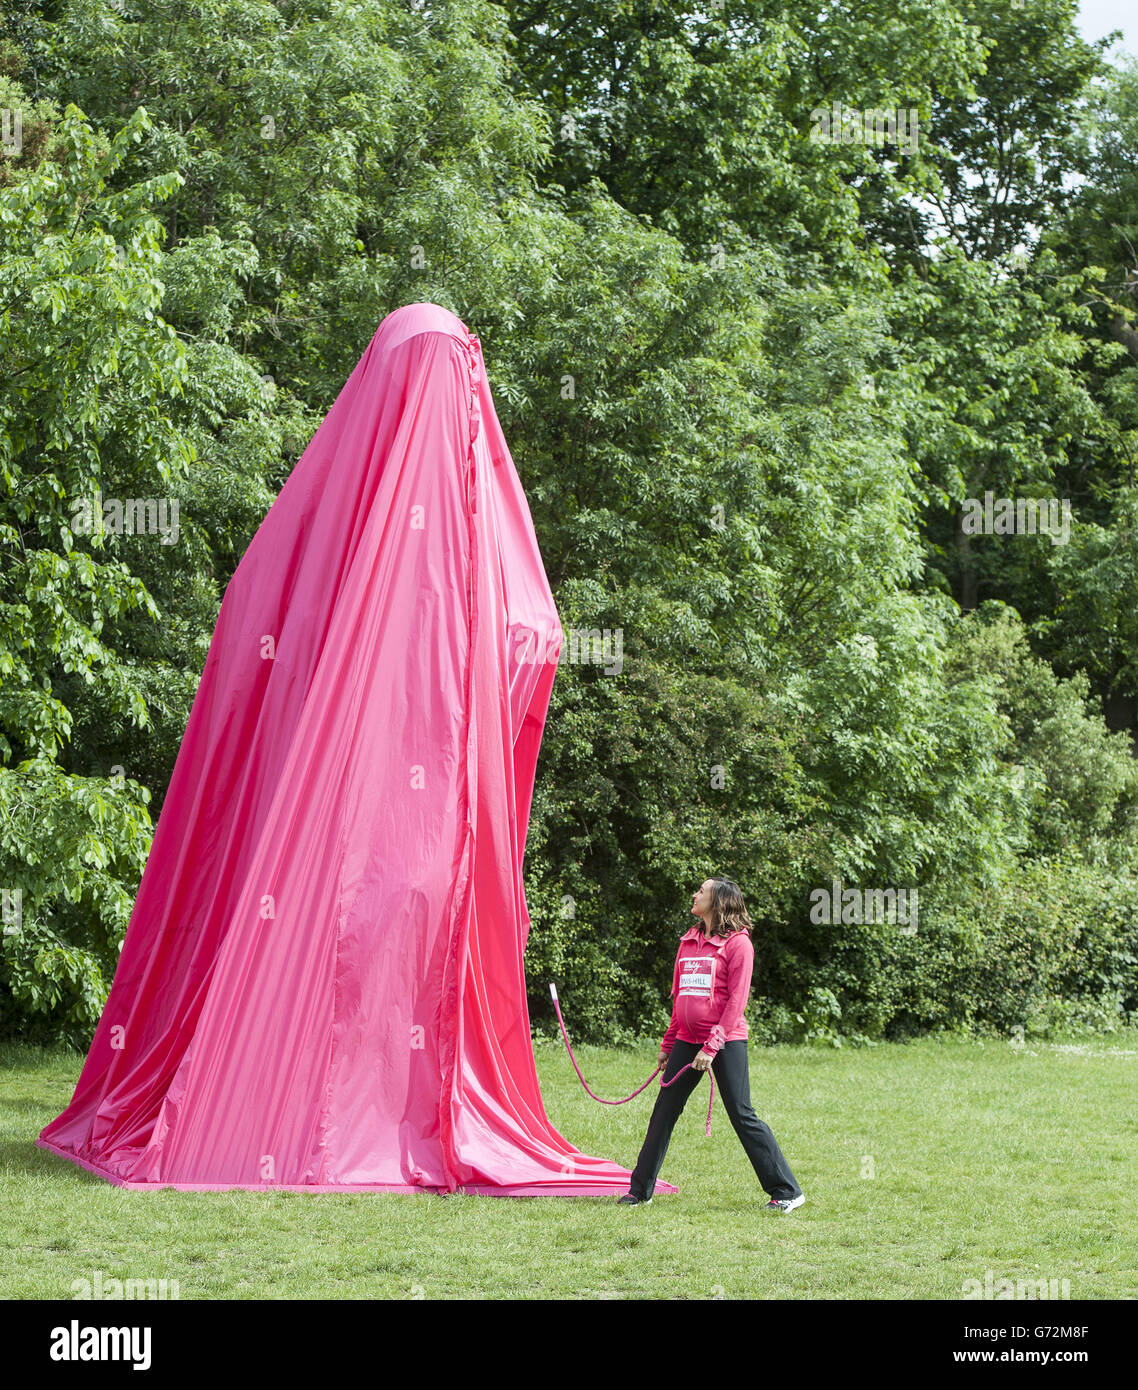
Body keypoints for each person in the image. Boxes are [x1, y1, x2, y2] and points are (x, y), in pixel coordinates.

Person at [619, 877, 805, 1211]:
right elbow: (682, 996)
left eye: (701, 892)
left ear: (718, 901)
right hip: (687, 1040)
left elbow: (737, 1002)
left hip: (726, 1040)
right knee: (663, 1112)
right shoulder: (688, 941)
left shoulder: (739, 945)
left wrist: (712, 1046)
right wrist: (668, 1042)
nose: (694, 895)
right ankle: (639, 1191)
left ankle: (787, 1191)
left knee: (741, 1114)